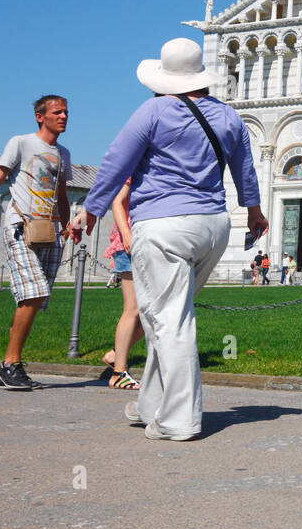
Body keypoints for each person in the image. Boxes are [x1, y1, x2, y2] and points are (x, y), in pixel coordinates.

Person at [80, 38, 267, 441]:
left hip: (163, 224)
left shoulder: (154, 109)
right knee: (164, 317)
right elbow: (245, 172)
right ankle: (151, 405)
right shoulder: (229, 117)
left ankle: (179, 421)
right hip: (214, 227)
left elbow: (117, 160)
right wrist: (253, 211)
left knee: (169, 321)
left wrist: (91, 209)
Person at [0, 94, 80, 390]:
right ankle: (9, 364)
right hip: (20, 225)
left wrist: (68, 226)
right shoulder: (20, 143)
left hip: (51, 230)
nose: (64, 116)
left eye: (66, 112)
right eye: (57, 112)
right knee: (34, 291)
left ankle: (10, 366)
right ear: (39, 116)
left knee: (34, 299)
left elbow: (62, 195)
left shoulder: (64, 153)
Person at [99, 181, 143, 390]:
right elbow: (117, 202)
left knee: (150, 314)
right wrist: (126, 234)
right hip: (129, 245)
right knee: (132, 310)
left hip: (143, 244)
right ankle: (119, 373)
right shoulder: (134, 170)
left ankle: (115, 356)